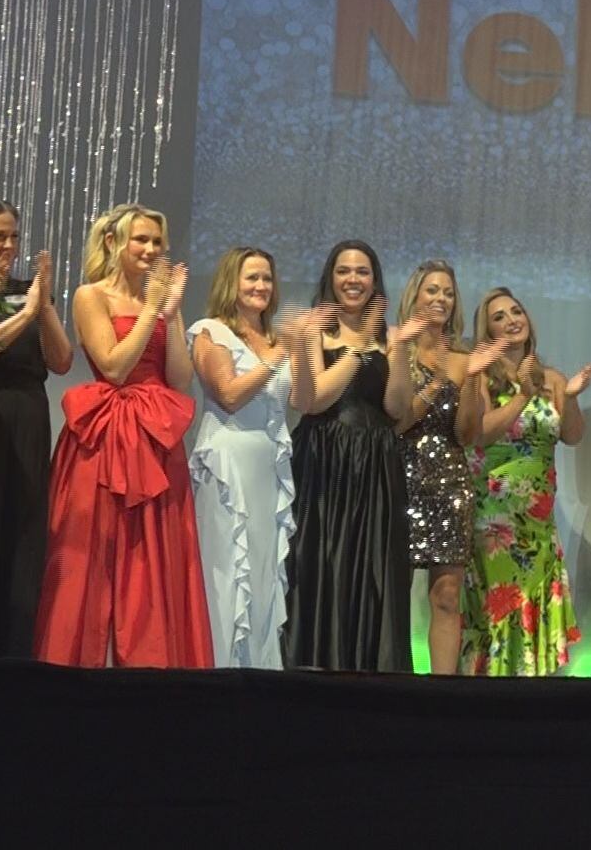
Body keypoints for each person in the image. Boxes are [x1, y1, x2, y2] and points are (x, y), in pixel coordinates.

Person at [34, 203, 210, 667]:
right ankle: (74, 674)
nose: (152, 250)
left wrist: (170, 316)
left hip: (155, 435)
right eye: (142, 240)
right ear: (114, 242)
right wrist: (152, 308)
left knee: (151, 560)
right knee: (92, 556)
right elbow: (112, 367)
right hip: (105, 436)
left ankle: (149, 671)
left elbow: (179, 379)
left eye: (158, 243)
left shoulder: (159, 306)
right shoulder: (90, 296)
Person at [283, 239, 420, 672]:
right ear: (330, 277)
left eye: (362, 272)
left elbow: (398, 408)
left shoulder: (393, 337)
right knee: (322, 561)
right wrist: (359, 349)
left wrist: (395, 350)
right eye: (344, 271)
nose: (353, 279)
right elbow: (315, 400)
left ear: (375, 281)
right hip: (325, 459)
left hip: (377, 463)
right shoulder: (312, 329)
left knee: (375, 566)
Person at [462, 287, 590, 676]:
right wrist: (521, 396)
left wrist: (569, 396)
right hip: (494, 512)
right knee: (500, 601)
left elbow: (572, 435)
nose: (511, 320)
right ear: (487, 332)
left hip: (538, 516)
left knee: (531, 593)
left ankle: (528, 684)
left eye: (515, 311)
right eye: (498, 317)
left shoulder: (551, 377)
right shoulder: (482, 376)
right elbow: (480, 433)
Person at [188, 247, 297, 668]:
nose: (261, 287)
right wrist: (273, 361)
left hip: (268, 464)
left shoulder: (275, 340)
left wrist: (299, 353)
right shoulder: (210, 331)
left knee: (265, 571)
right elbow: (229, 396)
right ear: (230, 282)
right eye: (251, 278)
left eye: (267, 278)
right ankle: (219, 671)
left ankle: (260, 672)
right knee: (227, 570)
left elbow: (299, 400)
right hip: (228, 462)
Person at [395, 260, 500, 675]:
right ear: (415, 296)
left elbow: (469, 433)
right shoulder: (396, 348)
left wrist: (471, 378)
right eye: (432, 290)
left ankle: (442, 690)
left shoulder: (463, 359)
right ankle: (391, 680)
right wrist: (437, 382)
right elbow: (398, 421)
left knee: (447, 594)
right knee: (394, 593)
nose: (441, 299)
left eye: (448, 293)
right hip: (399, 478)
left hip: (449, 482)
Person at [0, 200, 71, 657]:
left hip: (28, 418)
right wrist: (26, 311)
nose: (8, 246)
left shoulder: (30, 291)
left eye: (14, 236)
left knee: (23, 531)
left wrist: (45, 307)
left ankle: (14, 653)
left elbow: (61, 361)